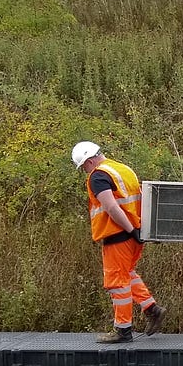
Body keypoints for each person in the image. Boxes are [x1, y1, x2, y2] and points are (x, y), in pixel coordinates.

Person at [72, 141, 165, 344]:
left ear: (89, 161)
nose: (85, 171)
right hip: (135, 233)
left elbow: (112, 207)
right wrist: (138, 231)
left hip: (119, 234)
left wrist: (130, 230)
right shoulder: (123, 169)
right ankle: (151, 309)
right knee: (127, 273)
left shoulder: (98, 176)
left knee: (117, 282)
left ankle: (123, 329)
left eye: (83, 167)